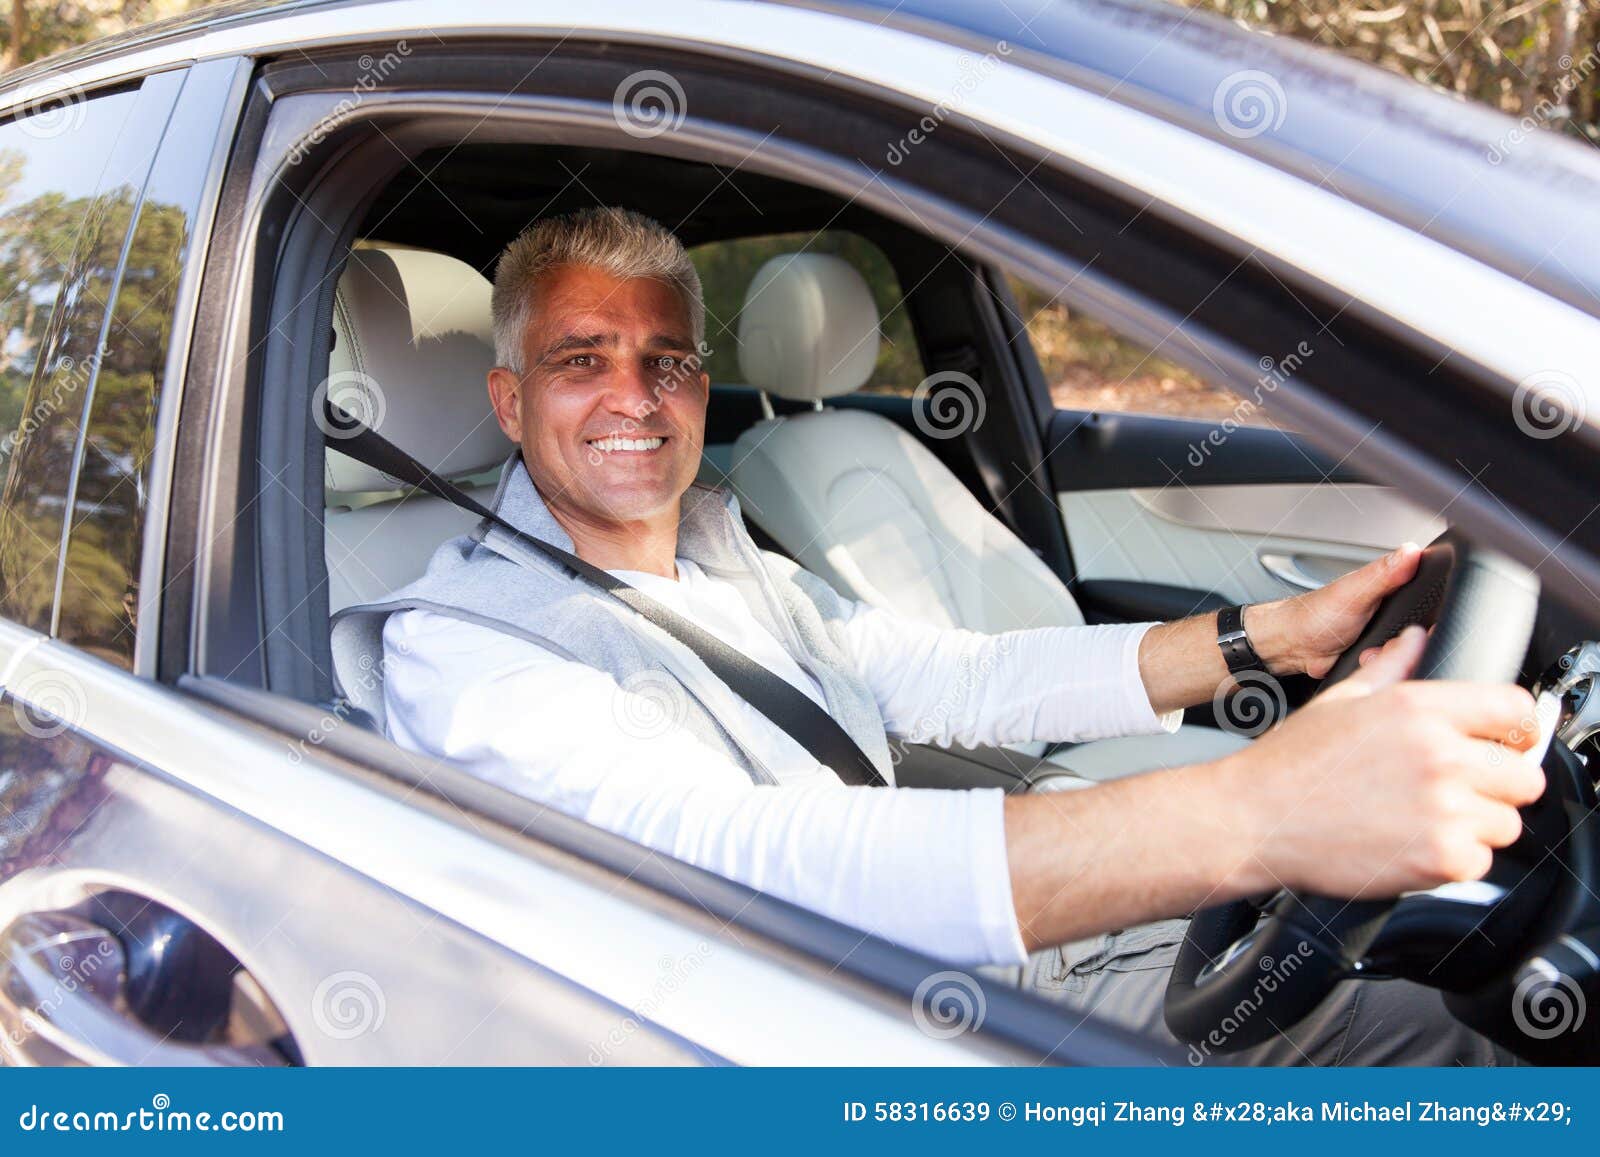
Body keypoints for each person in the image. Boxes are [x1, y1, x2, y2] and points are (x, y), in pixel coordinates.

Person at [360, 207, 1541, 1064]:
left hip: (976, 956)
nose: (636, 396)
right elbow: (735, 858)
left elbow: (964, 678)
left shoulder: (729, 555)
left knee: (1450, 948)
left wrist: (1274, 634)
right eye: (580, 361)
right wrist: (1254, 810)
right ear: (509, 401)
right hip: (847, 1039)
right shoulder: (460, 648)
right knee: (1445, 1032)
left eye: (666, 361)